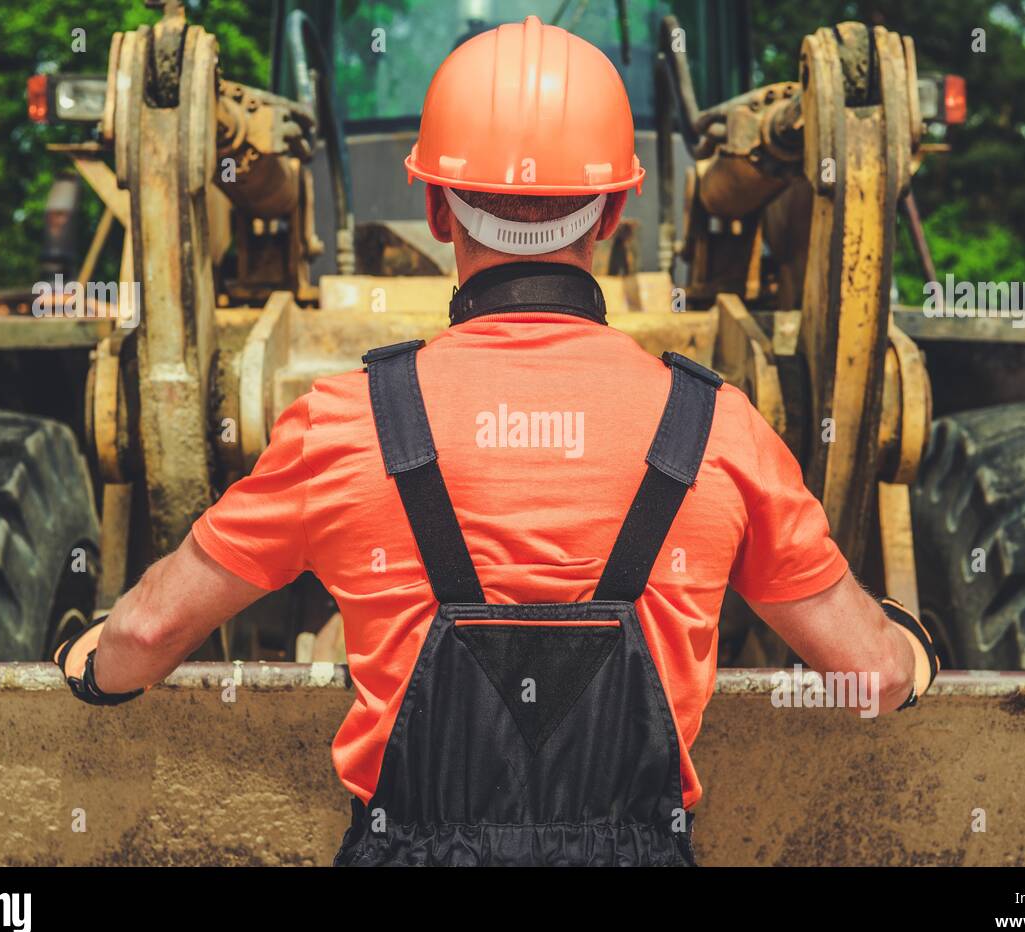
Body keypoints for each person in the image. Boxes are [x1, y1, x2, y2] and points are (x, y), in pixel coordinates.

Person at [55, 15, 938, 867]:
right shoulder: (718, 428)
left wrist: (91, 660)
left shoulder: (345, 420)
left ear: (437, 209)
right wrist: (911, 648)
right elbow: (873, 675)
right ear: (616, 213)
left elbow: (146, 636)